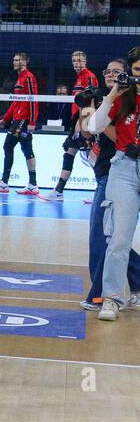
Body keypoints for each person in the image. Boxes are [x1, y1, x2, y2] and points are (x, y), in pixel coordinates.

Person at [79, 63, 140, 309]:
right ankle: (109, 295)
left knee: (105, 237)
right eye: (108, 72)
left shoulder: (126, 99)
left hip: (113, 172)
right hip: (115, 172)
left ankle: (102, 293)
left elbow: (113, 135)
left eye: (117, 72)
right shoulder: (114, 98)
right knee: (114, 238)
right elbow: (88, 130)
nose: (112, 75)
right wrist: (91, 107)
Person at [53, 50, 100, 201]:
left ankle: (100, 191)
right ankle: (58, 191)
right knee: (69, 153)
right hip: (76, 122)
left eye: (79, 61)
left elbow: (91, 103)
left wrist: (82, 124)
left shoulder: (89, 76)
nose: (76, 63)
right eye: (74, 61)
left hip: (84, 124)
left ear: (85, 61)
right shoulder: (79, 78)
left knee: (91, 157)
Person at [0, 52, 40, 195]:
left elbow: (33, 100)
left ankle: (4, 183)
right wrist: (6, 118)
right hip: (18, 119)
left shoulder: (29, 77)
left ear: (25, 61)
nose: (14, 62)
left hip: (23, 120)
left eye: (18, 60)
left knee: (8, 146)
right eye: (14, 60)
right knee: (27, 150)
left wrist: (32, 121)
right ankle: (33, 184)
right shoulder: (20, 78)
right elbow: (16, 101)